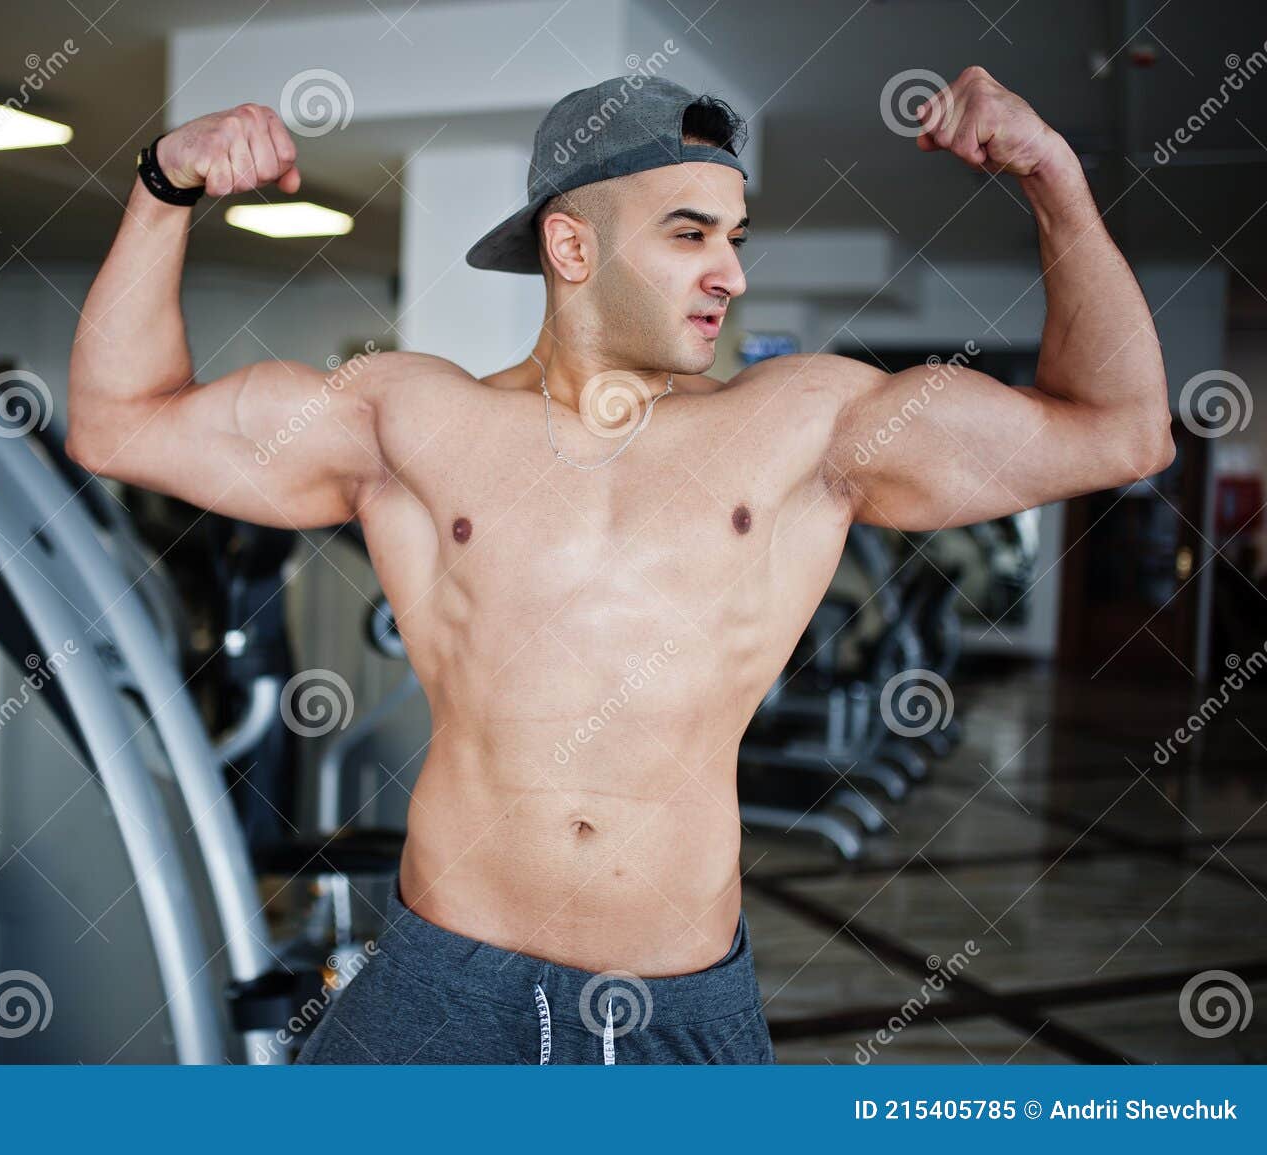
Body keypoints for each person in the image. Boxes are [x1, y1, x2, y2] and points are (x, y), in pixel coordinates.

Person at [67, 70, 1174, 1064]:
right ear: (571, 248)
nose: (731, 273)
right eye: (690, 234)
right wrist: (164, 188)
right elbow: (120, 425)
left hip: (673, 1007)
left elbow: (1120, 431)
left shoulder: (807, 427)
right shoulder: (410, 417)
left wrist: (1051, 174)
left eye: (736, 235)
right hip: (439, 991)